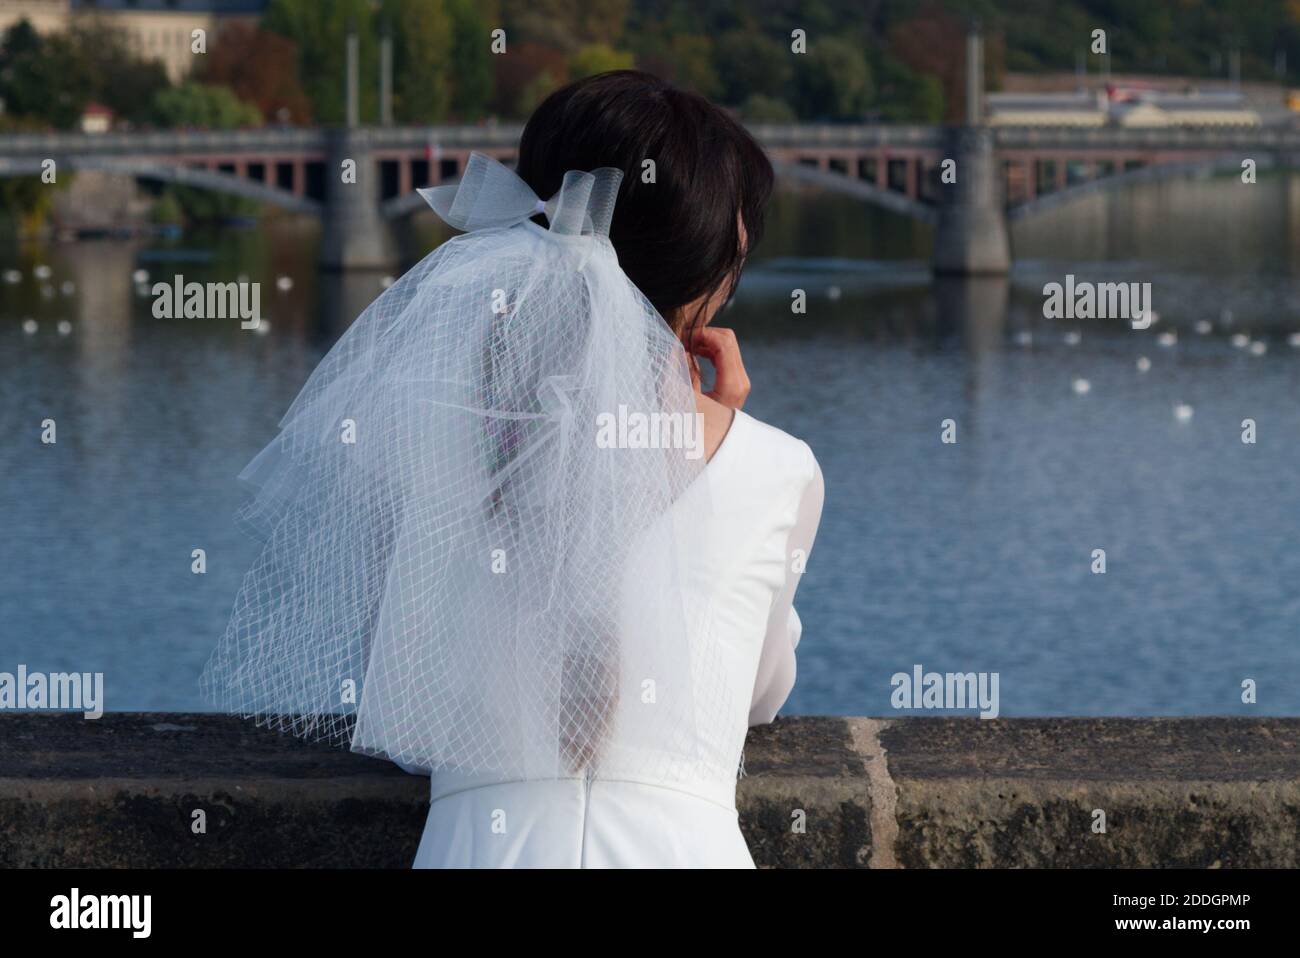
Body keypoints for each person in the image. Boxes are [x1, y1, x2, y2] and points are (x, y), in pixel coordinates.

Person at [201, 70, 823, 868]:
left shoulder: (427, 447)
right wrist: (729, 427)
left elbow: (410, 706)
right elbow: (757, 697)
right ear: (706, 277)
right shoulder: (777, 471)